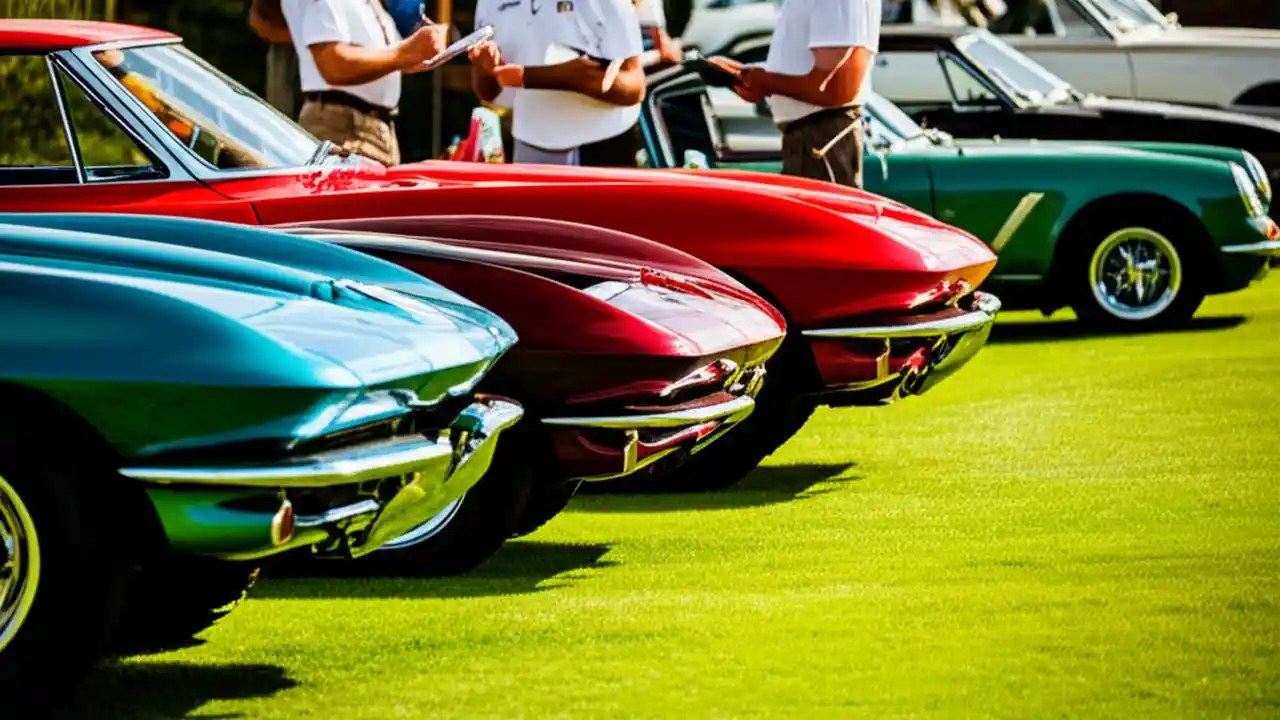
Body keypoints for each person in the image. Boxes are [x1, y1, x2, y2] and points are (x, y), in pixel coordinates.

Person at [250, 0, 449, 166]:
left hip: (366, 129)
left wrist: (410, 55)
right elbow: (333, 65)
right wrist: (402, 55)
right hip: (345, 129)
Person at [712, 0, 881, 188]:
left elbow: (836, 90)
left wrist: (765, 81)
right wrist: (751, 75)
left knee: (818, 216)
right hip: (812, 137)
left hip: (821, 136)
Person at [469, 0, 646, 166]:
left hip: (605, 141)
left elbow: (634, 87)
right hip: (530, 145)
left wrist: (571, 78)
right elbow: (486, 91)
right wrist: (487, 67)